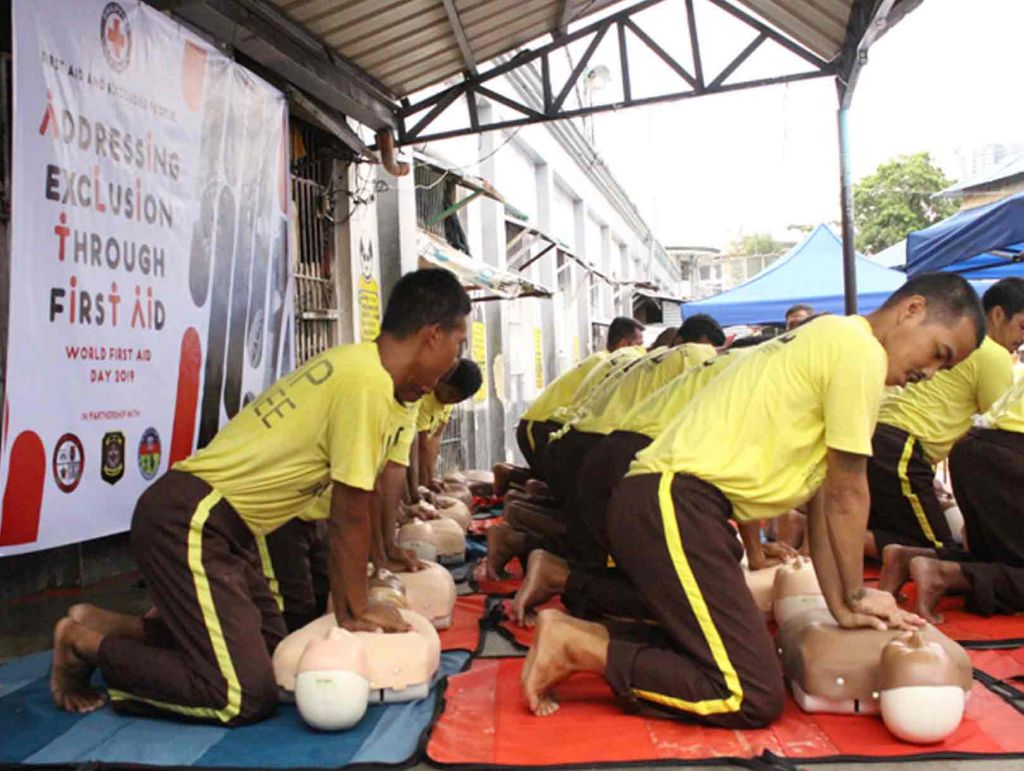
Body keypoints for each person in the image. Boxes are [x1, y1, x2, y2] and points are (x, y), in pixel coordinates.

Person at [521, 273, 985, 727]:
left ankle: (576, 634)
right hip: (671, 500)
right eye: (938, 354)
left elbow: (827, 501)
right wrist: (858, 594)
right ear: (912, 309)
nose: (929, 373)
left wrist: (845, 604)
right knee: (748, 691)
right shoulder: (858, 349)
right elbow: (847, 492)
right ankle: (582, 648)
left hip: (673, 502)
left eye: (945, 369)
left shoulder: (836, 341)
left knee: (720, 637)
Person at [50, 268, 471, 724]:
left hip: (228, 528)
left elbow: (359, 507)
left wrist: (357, 603)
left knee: (274, 655)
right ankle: (85, 645)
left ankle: (108, 625)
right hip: (191, 518)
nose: (454, 359)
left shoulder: (364, 371)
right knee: (242, 695)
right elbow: (350, 512)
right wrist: (357, 612)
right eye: (457, 344)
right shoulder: (366, 382)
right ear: (432, 336)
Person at [865, 278, 1024, 558]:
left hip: (888, 441)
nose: (929, 372)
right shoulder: (994, 355)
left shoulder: (977, 352)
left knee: (903, 529)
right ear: (998, 315)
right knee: (936, 549)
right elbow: (996, 433)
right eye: (1022, 326)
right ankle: (834, 537)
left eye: (944, 364)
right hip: (901, 447)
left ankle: (822, 532)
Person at [879, 375, 1024, 622]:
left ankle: (910, 558)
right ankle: (943, 574)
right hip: (1011, 456)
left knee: (1001, 559)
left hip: (976, 444)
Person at [514, 316, 644, 479]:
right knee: (552, 484)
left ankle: (510, 477)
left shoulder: (605, 360)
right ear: (624, 344)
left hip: (552, 425)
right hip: (540, 425)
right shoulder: (608, 363)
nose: (643, 351)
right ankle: (511, 482)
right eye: (639, 345)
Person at [409, 359, 483, 493]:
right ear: (443, 378)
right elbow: (422, 445)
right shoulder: (424, 399)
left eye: (457, 400)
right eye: (451, 394)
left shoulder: (447, 403)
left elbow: (435, 439)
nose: (451, 401)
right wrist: (424, 482)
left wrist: (430, 478)